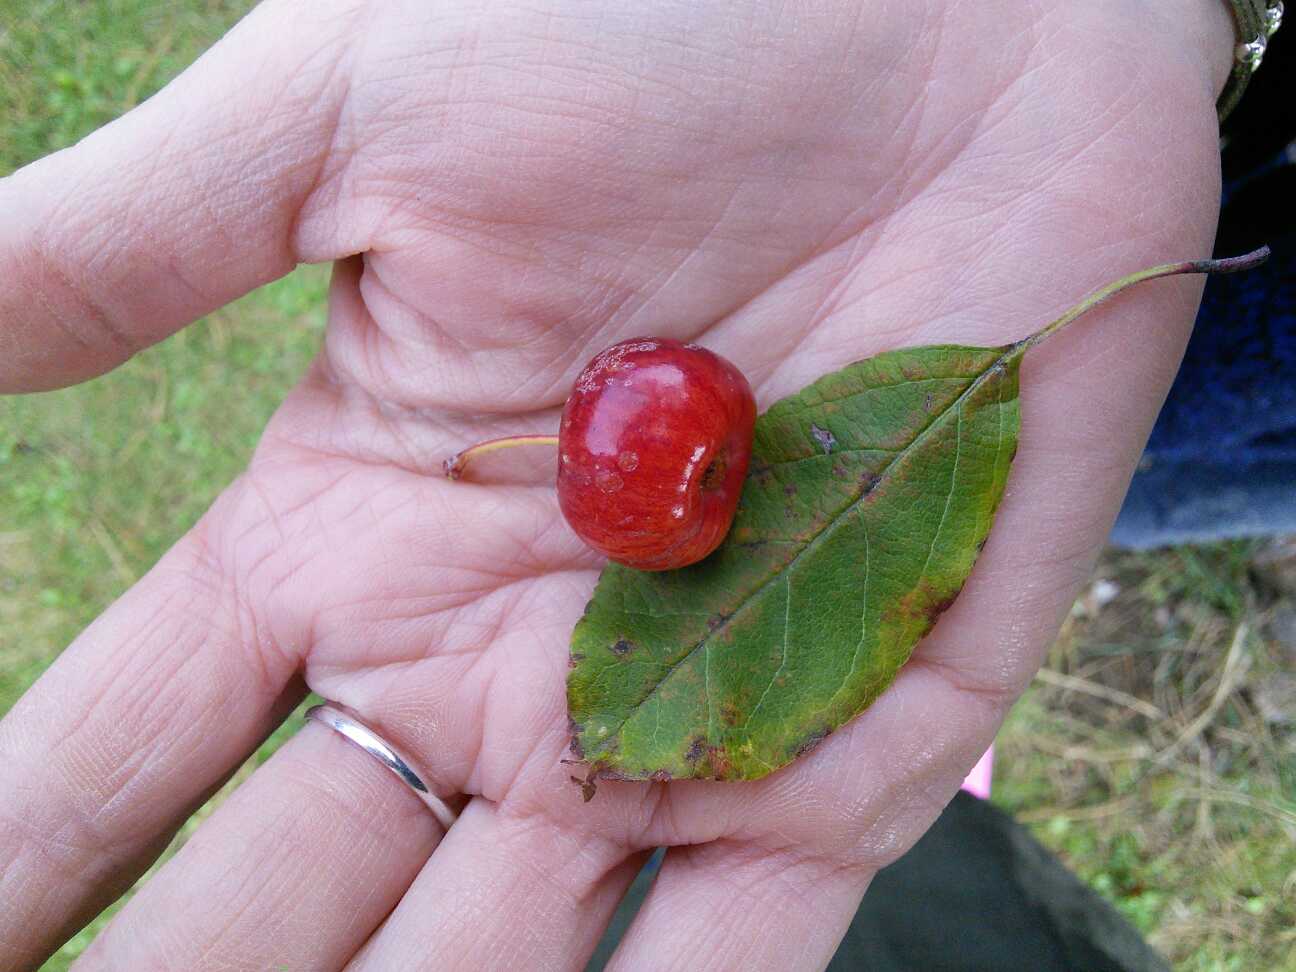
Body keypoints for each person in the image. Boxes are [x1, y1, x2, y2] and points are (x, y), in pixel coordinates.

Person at [0, 1, 1255, 968]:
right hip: (1148, 264)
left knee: (1142, 458)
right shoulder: (651, 447)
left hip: (1168, 248)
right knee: (1146, 475)